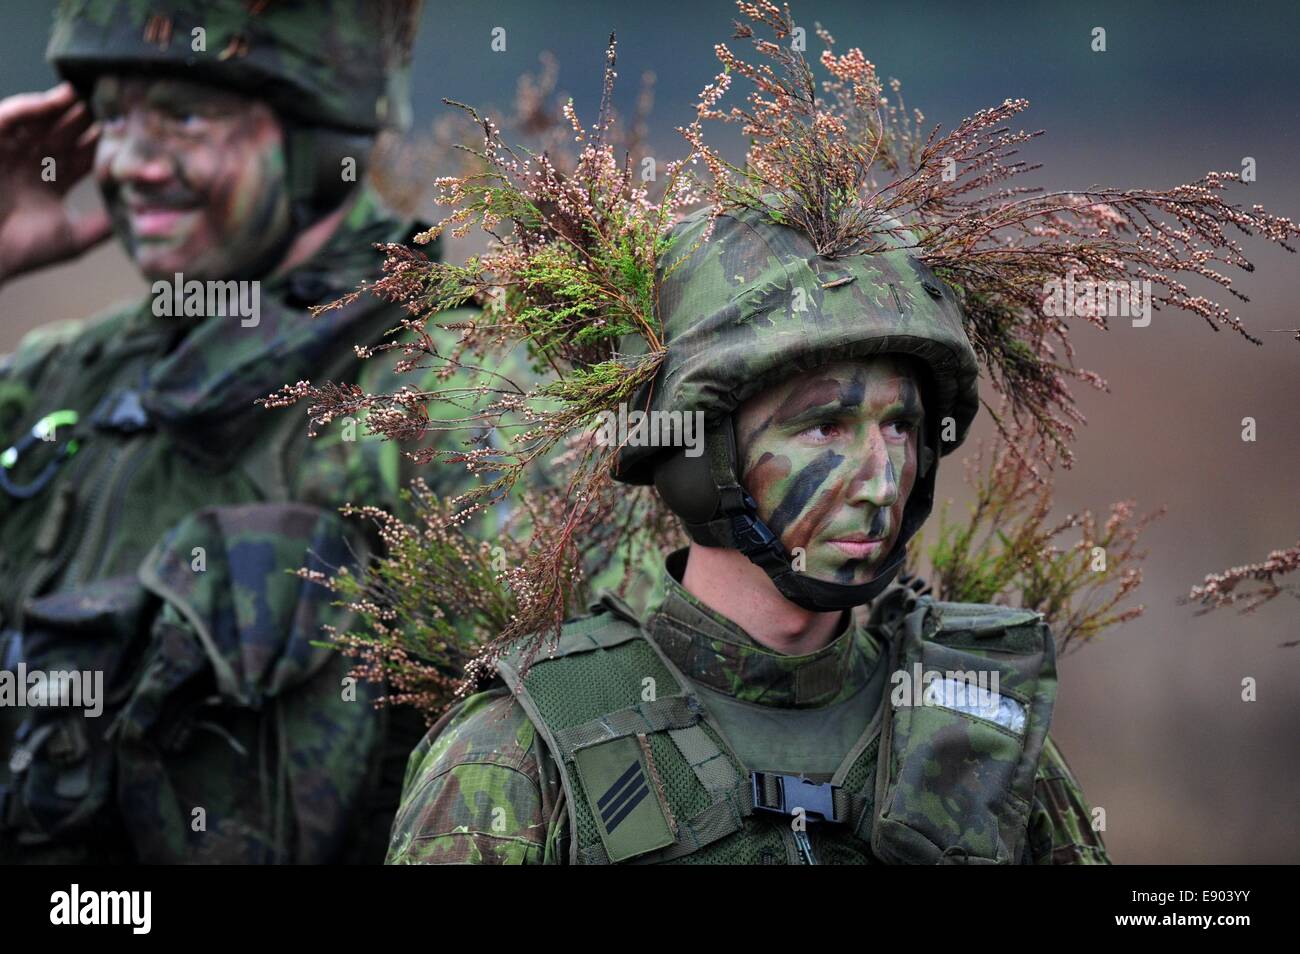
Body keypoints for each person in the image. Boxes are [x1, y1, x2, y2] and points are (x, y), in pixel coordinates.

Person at [385, 204, 1111, 865]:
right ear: (701, 454)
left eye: (901, 427)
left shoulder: (976, 739)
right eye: (825, 426)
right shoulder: (516, 753)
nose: (882, 480)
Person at [0, 0, 479, 863]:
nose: (125, 163)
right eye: (108, 117)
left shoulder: (450, 395)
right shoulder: (63, 375)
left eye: (182, 117)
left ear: (321, 143)